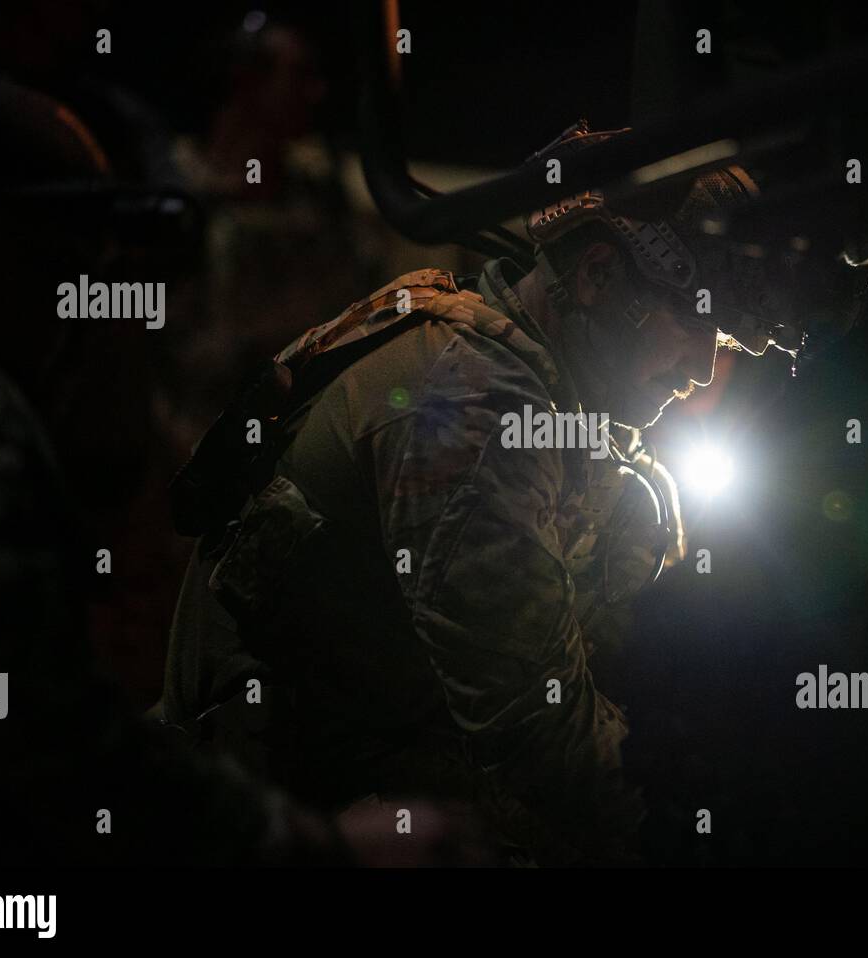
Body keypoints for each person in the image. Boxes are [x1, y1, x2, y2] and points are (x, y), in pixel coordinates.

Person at [160, 122, 787, 865]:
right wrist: (711, 826)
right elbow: (537, 732)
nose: (705, 367)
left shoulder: (555, 385)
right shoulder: (481, 414)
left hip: (357, 773)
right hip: (289, 821)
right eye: (694, 326)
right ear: (595, 277)